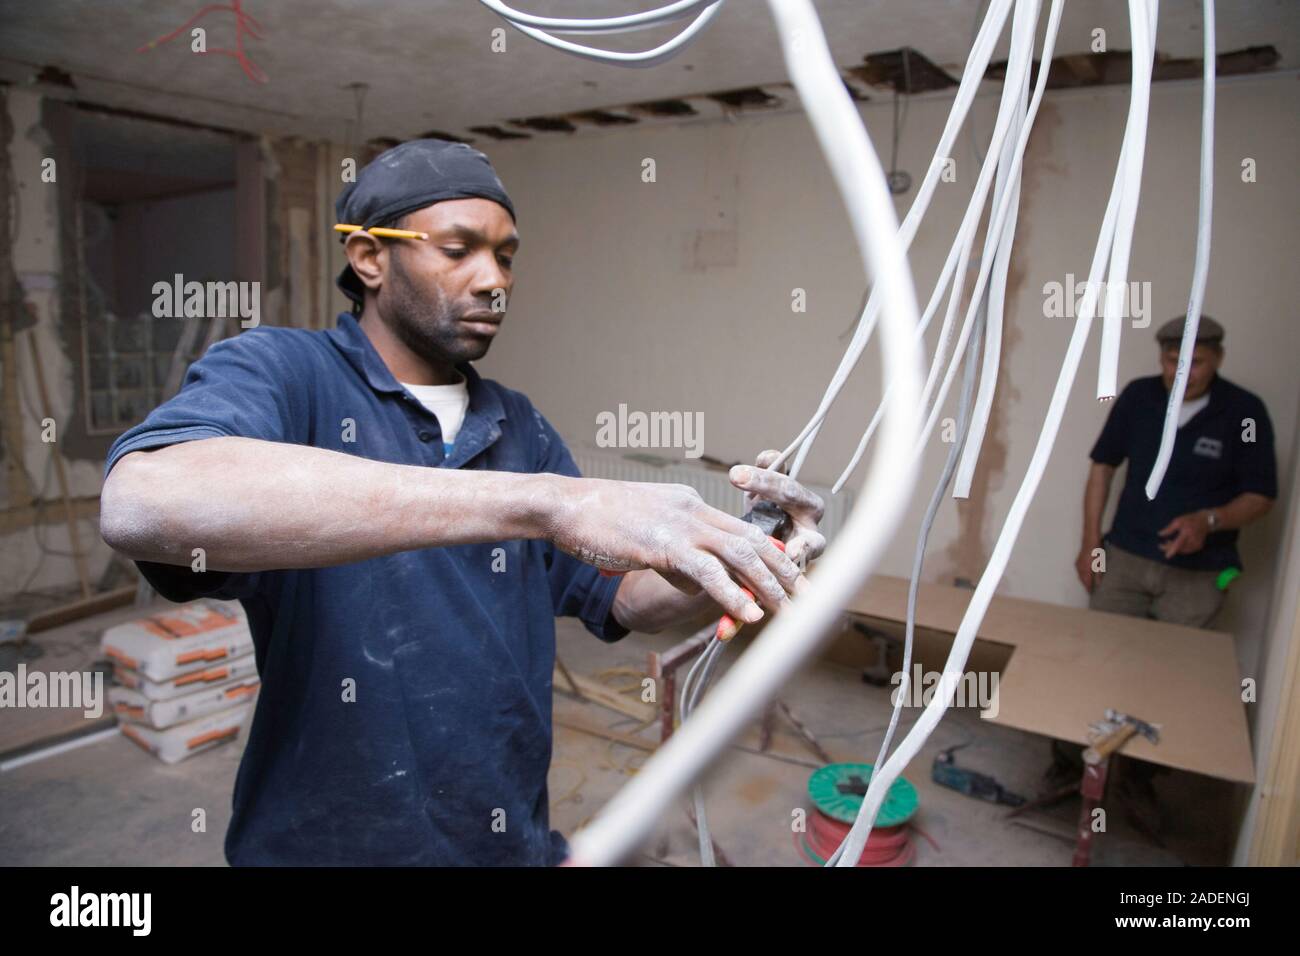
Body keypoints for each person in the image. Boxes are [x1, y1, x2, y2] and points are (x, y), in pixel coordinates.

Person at [98, 139, 826, 866]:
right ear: (369, 258)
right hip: (323, 846)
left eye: (506, 256)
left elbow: (626, 601)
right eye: (458, 249)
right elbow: (145, 500)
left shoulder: (519, 424)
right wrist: (546, 502)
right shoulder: (288, 373)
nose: (494, 280)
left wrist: (730, 555)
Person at [1076, 315, 1277, 627]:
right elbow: (1102, 467)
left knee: (1172, 667)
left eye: (1195, 363)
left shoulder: (1245, 414)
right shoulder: (1138, 397)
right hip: (1124, 559)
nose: (1182, 374)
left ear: (1218, 359)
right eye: (1173, 362)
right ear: (1162, 358)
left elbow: (1260, 496)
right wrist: (1091, 545)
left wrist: (1209, 521)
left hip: (1199, 573)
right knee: (1102, 653)